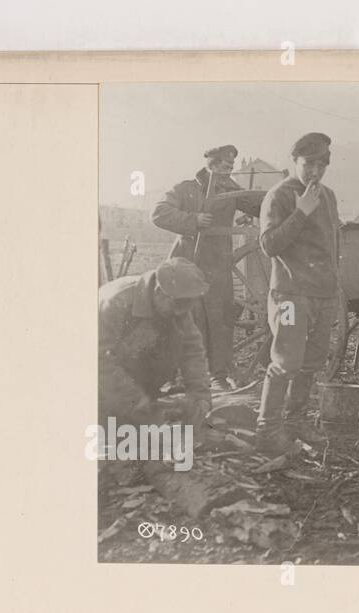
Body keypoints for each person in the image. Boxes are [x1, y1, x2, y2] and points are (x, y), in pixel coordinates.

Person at [254, 132, 341, 453]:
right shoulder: (279, 195)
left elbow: (332, 245)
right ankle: (267, 429)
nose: (315, 172)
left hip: (322, 295)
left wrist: (333, 288)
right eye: (308, 164)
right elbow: (269, 245)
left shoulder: (328, 196)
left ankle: (295, 422)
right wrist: (301, 211)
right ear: (295, 161)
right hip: (291, 294)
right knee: (286, 362)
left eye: (322, 165)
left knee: (312, 362)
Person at [151, 145, 263, 393]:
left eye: (231, 168)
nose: (228, 172)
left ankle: (218, 376)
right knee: (185, 317)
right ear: (211, 164)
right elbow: (159, 213)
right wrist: (194, 220)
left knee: (220, 319)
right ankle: (175, 376)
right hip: (186, 262)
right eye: (224, 167)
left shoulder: (231, 190)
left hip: (217, 263)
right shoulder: (186, 189)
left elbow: (259, 205)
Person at [98, 258, 213, 433]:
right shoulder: (116, 302)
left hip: (134, 385)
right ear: (159, 291)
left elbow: (192, 350)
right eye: (177, 305)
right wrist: (137, 404)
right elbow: (100, 361)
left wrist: (200, 396)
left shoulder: (176, 303)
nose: (181, 312)